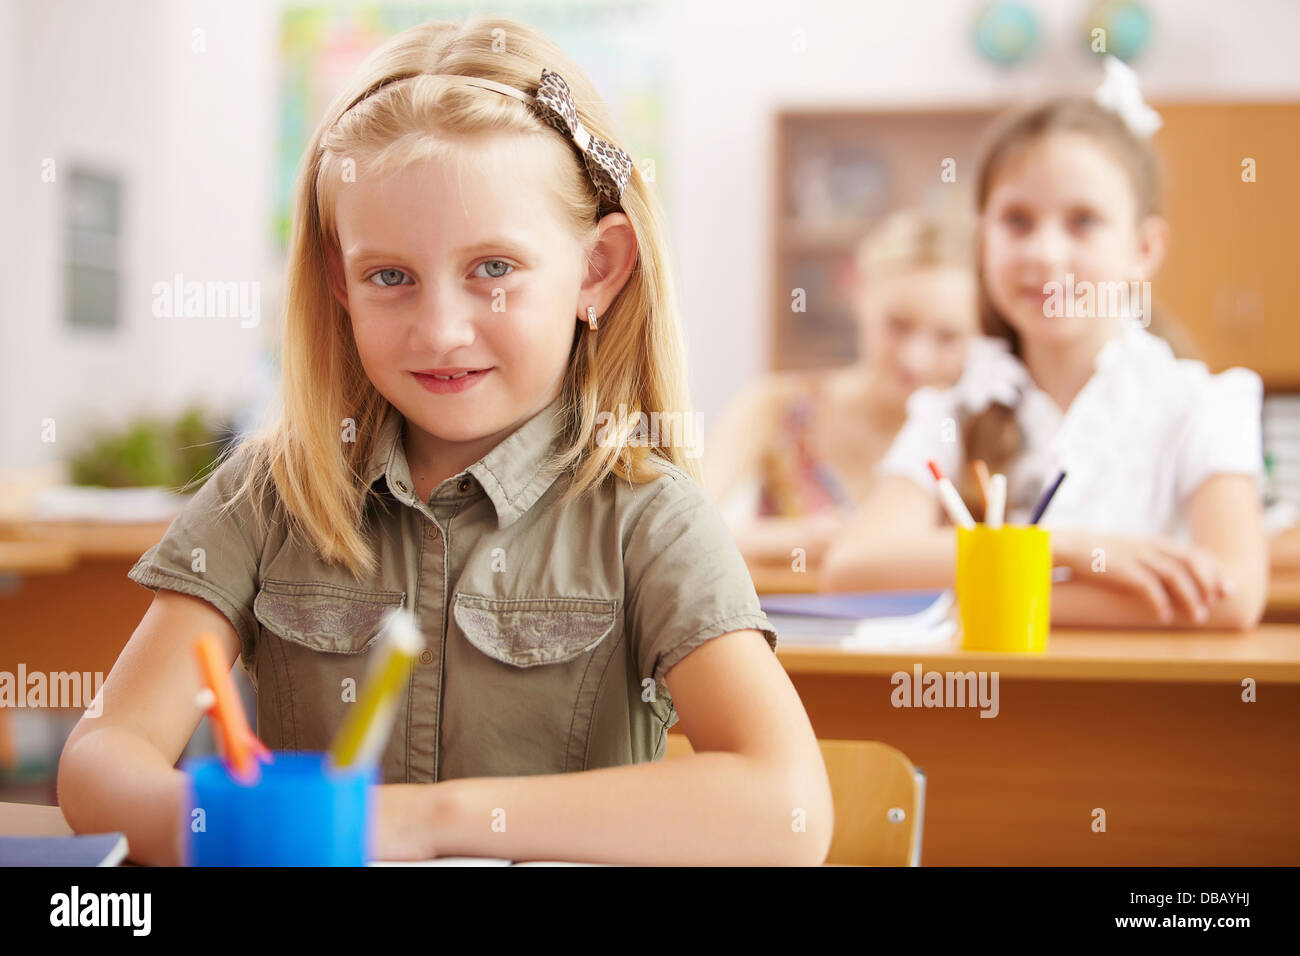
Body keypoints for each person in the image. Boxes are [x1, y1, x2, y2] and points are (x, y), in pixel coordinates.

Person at [58, 16, 832, 866]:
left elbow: (785, 810)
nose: (440, 330)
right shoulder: (269, 497)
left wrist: (417, 824)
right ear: (339, 283)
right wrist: (224, 827)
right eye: (389, 276)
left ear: (597, 269)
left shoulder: (649, 518)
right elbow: (100, 760)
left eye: (493, 270)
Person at [822, 59, 1268, 631]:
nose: (1044, 254)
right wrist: (1064, 549)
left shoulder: (1201, 404)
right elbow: (854, 567)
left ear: (1145, 250)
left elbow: (1231, 596)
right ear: (983, 243)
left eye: (1083, 221)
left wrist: (992, 596)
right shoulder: (954, 408)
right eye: (1017, 220)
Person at [706, 208, 977, 574]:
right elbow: (676, 531)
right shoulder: (774, 407)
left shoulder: (979, 436)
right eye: (898, 325)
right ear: (858, 294)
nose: (916, 359)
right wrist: (792, 541)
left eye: (948, 337)